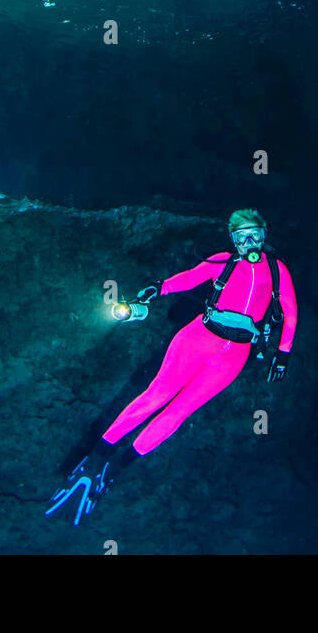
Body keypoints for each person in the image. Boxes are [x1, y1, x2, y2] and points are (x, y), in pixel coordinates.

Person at [45, 209, 297, 526]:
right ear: (233, 240)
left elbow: (290, 310)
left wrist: (283, 352)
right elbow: (190, 277)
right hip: (198, 338)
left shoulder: (278, 271)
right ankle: (95, 461)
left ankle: (116, 468)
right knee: (155, 396)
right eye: (243, 236)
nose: (250, 241)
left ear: (265, 234)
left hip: (234, 356)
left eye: (255, 234)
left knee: (178, 413)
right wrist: (158, 288)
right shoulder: (224, 261)